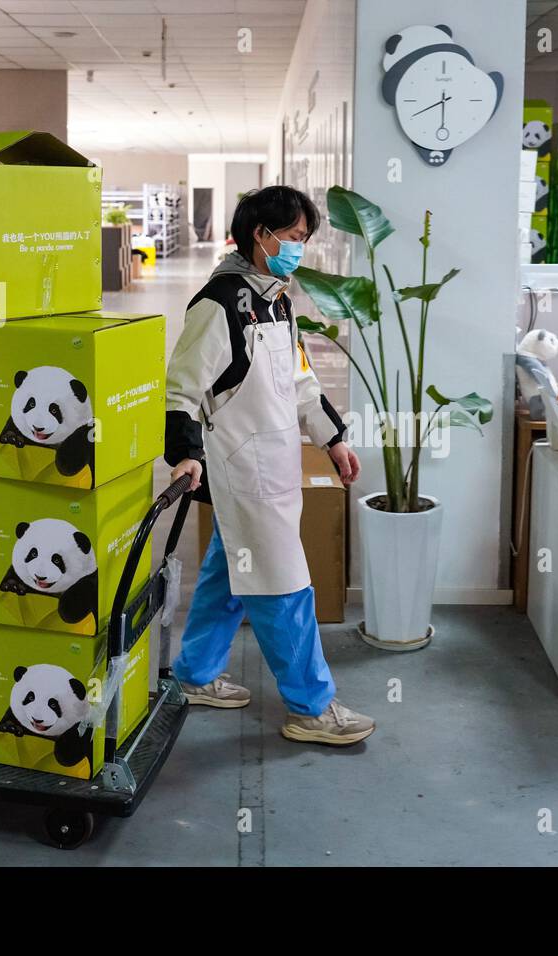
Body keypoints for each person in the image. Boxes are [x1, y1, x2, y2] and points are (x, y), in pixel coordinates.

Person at [164, 186, 374, 746]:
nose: (300, 249)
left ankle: (194, 674)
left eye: (304, 240)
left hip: (276, 463)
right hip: (244, 470)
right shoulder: (219, 303)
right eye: (296, 238)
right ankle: (312, 707)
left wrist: (333, 440)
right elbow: (181, 390)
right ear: (262, 235)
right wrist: (184, 453)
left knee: (227, 572)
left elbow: (300, 381)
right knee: (284, 587)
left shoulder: (275, 298)